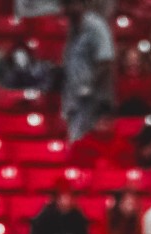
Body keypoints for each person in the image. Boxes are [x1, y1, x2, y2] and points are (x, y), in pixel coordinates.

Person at [61, 0, 116, 143]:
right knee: (75, 141)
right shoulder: (73, 28)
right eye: (67, 5)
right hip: (75, 98)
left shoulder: (96, 25)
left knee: (89, 142)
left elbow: (105, 61)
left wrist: (89, 86)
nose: (71, 8)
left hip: (92, 99)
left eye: (75, 4)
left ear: (83, 5)